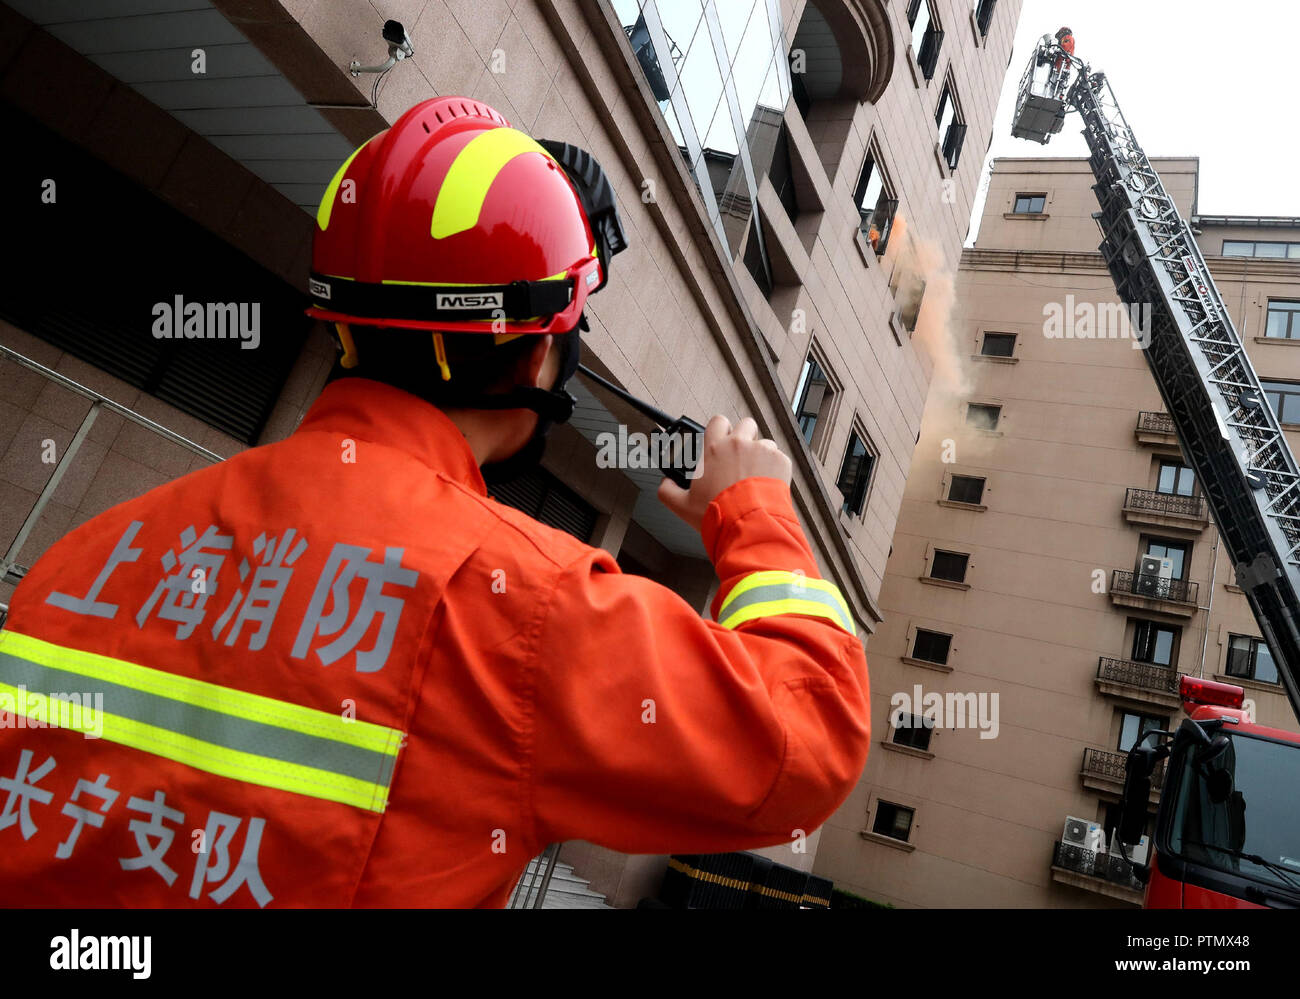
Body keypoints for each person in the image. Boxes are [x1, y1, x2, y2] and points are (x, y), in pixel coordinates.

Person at [0, 97, 870, 907]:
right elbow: (811, 734)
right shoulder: (527, 610)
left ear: (342, 322)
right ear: (539, 358)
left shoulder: (102, 546)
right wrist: (753, 508)